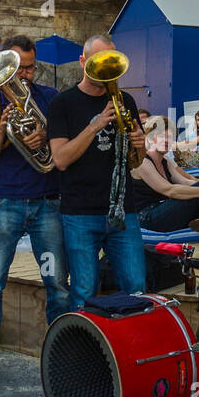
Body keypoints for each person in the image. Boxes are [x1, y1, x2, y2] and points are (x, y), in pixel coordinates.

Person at [0, 34, 70, 379]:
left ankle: (61, 350)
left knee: (55, 282)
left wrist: (44, 136)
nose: (25, 75)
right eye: (18, 68)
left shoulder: (51, 98)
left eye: (29, 67)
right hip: (5, 201)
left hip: (47, 201)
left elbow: (62, 148)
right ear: (3, 66)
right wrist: (3, 130)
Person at [47, 34, 147, 310]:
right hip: (80, 212)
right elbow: (61, 159)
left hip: (122, 211)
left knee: (137, 288)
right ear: (83, 61)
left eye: (111, 61)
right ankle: (85, 350)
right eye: (99, 61)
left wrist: (140, 145)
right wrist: (95, 125)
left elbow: (136, 163)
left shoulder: (125, 100)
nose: (107, 69)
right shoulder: (62, 103)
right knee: (83, 292)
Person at [133, 116, 199, 232]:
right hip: (147, 217)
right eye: (161, 136)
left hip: (163, 209)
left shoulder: (166, 161)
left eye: (169, 137)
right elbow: (169, 190)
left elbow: (186, 182)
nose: (166, 140)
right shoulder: (143, 162)